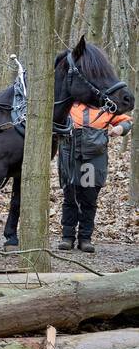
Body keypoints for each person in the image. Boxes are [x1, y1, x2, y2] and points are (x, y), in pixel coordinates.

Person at [57, 100, 132, 253]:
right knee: (70, 196)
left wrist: (119, 128)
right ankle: (67, 237)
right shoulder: (68, 104)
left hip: (92, 160)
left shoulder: (106, 106)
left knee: (88, 198)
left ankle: (85, 238)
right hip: (70, 156)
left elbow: (126, 121)